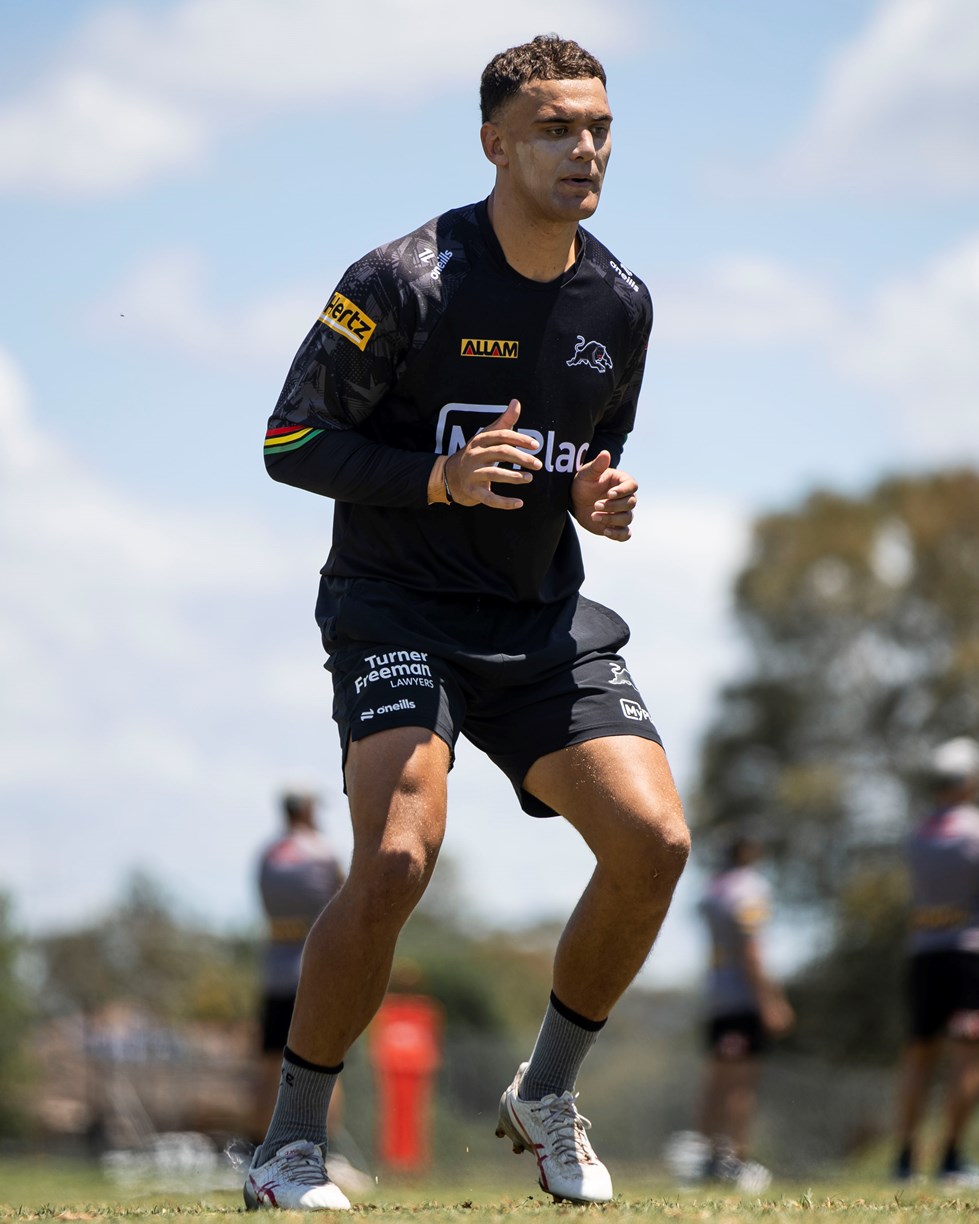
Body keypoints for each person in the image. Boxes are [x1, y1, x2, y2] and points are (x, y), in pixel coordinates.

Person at [245, 34, 690, 1211]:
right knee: (395, 857)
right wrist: (432, 480)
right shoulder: (402, 279)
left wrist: (595, 493)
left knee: (654, 844)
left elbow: (590, 454)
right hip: (396, 607)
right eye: (554, 127)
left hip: (539, 617)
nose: (582, 147)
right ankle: (290, 1143)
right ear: (495, 141)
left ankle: (545, 1093)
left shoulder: (620, 301)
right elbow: (289, 443)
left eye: (596, 126)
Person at [665, 831, 793, 1192]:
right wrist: (771, 1000)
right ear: (749, 851)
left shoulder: (712, 889)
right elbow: (751, 951)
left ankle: (705, 1157)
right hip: (742, 998)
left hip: (716, 996)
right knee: (741, 1083)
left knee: (715, 1080)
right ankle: (735, 1160)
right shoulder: (749, 889)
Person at [894, 736, 979, 1184]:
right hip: (967, 956)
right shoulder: (974, 830)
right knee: (967, 1056)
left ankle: (904, 1160)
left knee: (919, 1056)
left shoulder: (918, 833)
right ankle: (950, 1159)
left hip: (924, 955)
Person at [252, 792, 345, 1144]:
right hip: (314, 970)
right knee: (325, 1063)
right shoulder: (324, 851)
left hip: (274, 971)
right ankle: (326, 1148)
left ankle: (257, 1148)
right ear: (307, 810)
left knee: (267, 1064)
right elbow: (343, 901)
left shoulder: (267, 854)